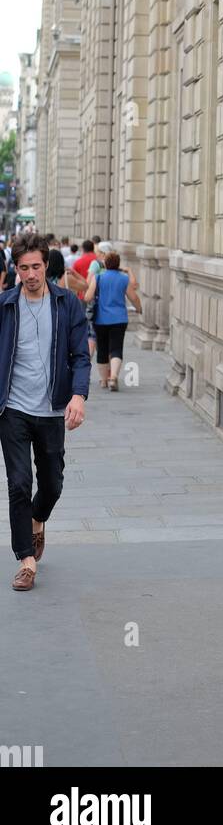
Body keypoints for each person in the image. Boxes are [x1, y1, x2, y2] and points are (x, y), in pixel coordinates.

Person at [0, 233, 90, 590]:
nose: (31, 274)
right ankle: (26, 560)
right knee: (19, 483)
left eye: (36, 266)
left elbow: (80, 356)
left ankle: (38, 519)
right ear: (16, 269)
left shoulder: (67, 304)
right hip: (13, 410)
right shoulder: (5, 305)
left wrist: (78, 396)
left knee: (52, 482)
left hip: (52, 410)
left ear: (46, 265)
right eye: (24, 268)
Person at [85, 250, 141, 391]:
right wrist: (139, 308)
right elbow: (133, 297)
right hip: (119, 318)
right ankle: (114, 376)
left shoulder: (98, 278)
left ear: (105, 263)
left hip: (100, 319)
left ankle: (104, 381)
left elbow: (87, 297)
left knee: (102, 349)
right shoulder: (123, 278)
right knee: (116, 348)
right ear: (118, 264)